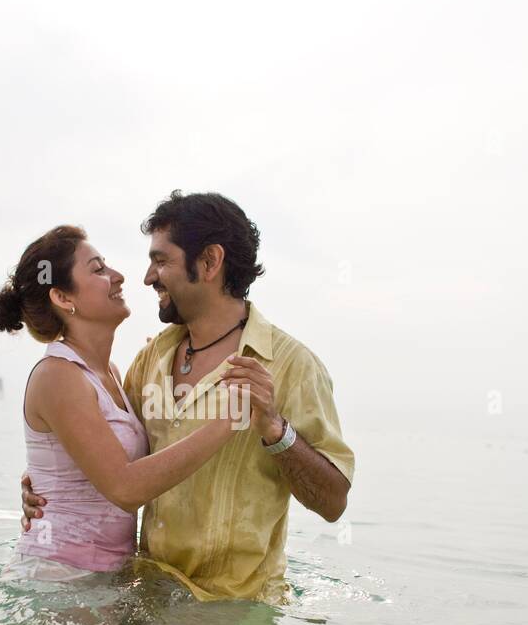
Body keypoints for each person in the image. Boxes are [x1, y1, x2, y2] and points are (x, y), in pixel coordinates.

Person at [22, 192, 354, 602]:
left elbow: (333, 503)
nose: (146, 277)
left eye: (162, 261)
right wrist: (48, 487)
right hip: (146, 598)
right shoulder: (150, 359)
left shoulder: (291, 366)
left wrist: (275, 429)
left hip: (234, 611)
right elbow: (113, 458)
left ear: (210, 262)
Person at [0, 224, 244, 581]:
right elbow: (125, 487)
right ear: (62, 298)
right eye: (98, 269)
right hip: (56, 578)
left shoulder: (113, 375)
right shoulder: (57, 375)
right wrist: (230, 420)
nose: (119, 276)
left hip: (100, 581)